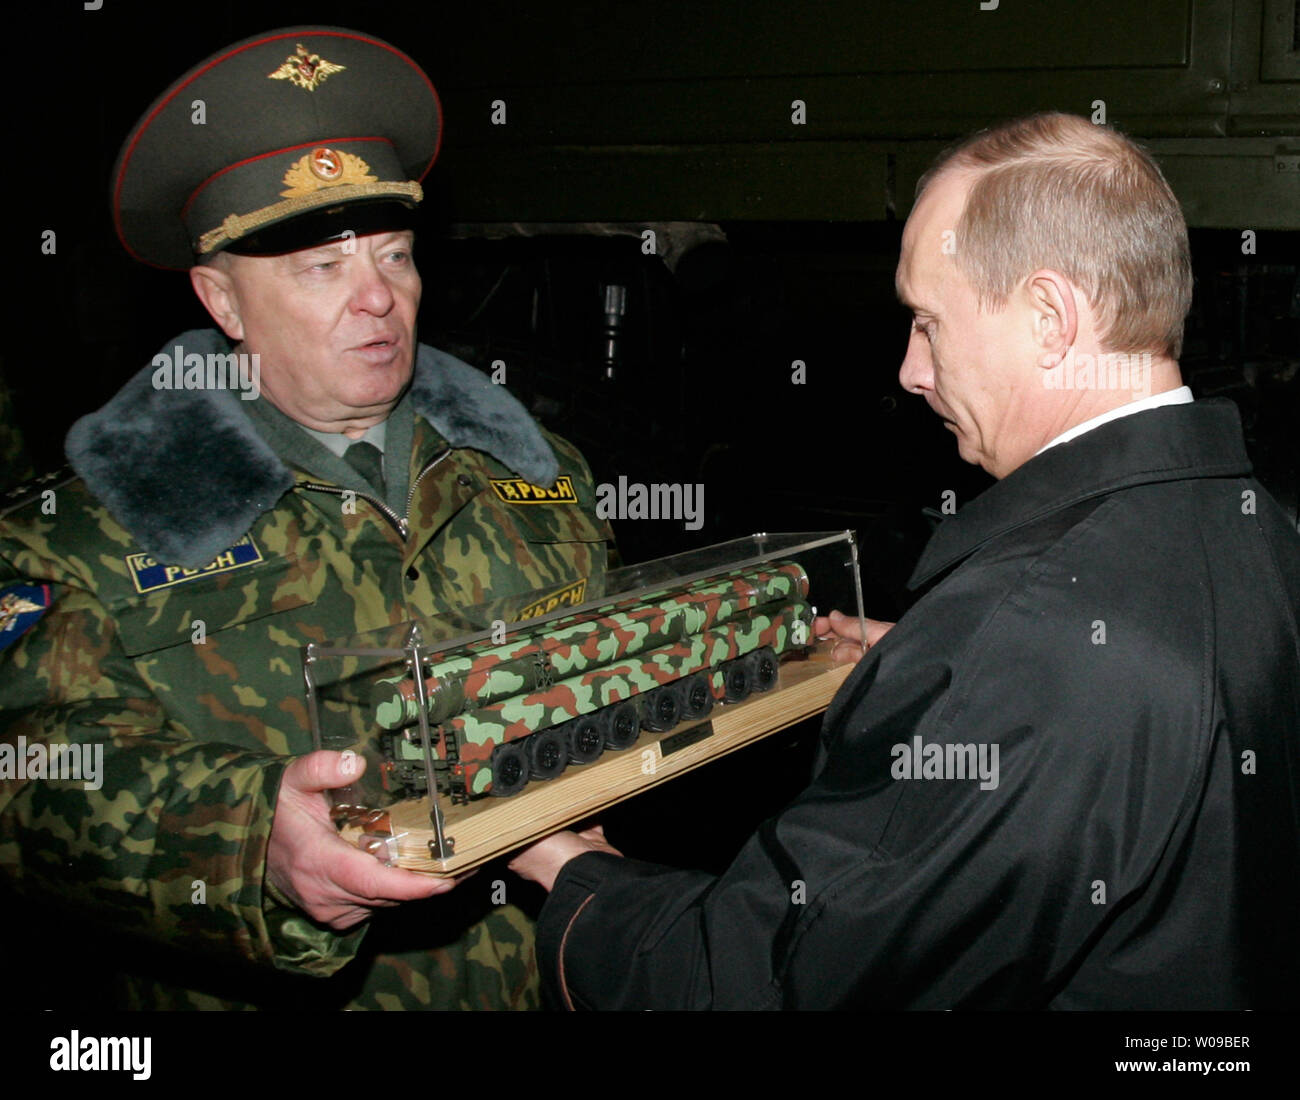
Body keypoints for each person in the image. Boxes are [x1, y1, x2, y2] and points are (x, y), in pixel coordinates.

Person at [509, 112, 1300, 1009]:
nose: (910, 371)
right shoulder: (1255, 529)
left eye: (928, 322)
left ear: (1049, 318)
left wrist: (575, 871)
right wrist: (933, 682)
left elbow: (778, 984)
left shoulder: (1032, 636)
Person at [0, 27, 612, 1009]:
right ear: (220, 299)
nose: (379, 296)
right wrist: (249, 839)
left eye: (395, 253)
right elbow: (28, 780)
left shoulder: (535, 475)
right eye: (321, 267)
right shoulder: (86, 537)